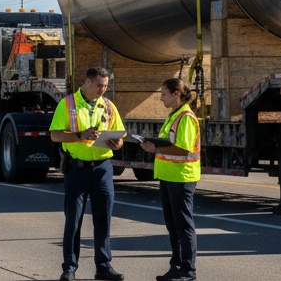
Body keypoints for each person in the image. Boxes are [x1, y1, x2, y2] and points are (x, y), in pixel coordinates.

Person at [50, 66, 125, 281]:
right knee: (73, 221)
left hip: (102, 168)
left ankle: (103, 266)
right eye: (100, 85)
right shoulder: (68, 104)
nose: (103, 90)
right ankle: (69, 268)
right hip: (77, 169)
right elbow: (55, 135)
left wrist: (116, 142)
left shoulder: (108, 106)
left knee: (103, 219)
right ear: (88, 82)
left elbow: (120, 139)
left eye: (106, 86)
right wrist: (79, 135)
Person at [140, 78, 200, 281]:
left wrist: (155, 146)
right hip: (168, 176)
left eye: (164, 94)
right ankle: (176, 267)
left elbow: (183, 147)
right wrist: (153, 146)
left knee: (183, 225)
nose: (160, 98)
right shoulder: (173, 116)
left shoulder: (186, 117)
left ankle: (188, 271)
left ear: (176, 94)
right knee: (173, 225)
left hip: (181, 178)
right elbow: (169, 145)